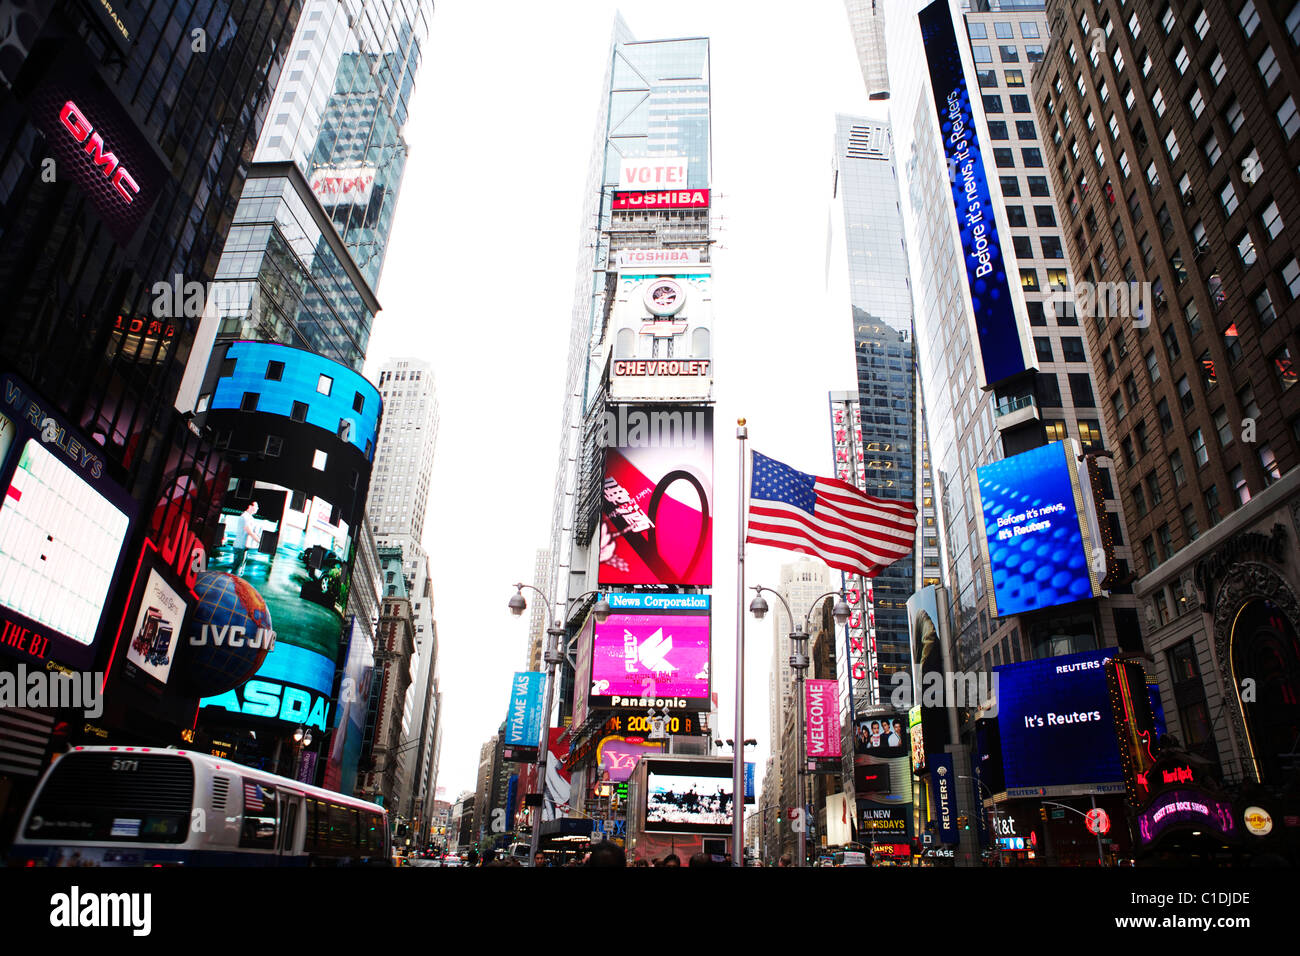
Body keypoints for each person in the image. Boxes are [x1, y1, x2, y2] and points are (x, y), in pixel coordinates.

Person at [230, 500, 260, 576]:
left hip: (244, 547)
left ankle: (235, 584)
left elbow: (253, 532)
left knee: (240, 569)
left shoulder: (250, 517)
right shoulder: (245, 517)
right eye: (256, 506)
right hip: (240, 546)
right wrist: (260, 542)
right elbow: (249, 531)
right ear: (250, 506)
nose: (257, 508)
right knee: (236, 570)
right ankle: (231, 585)